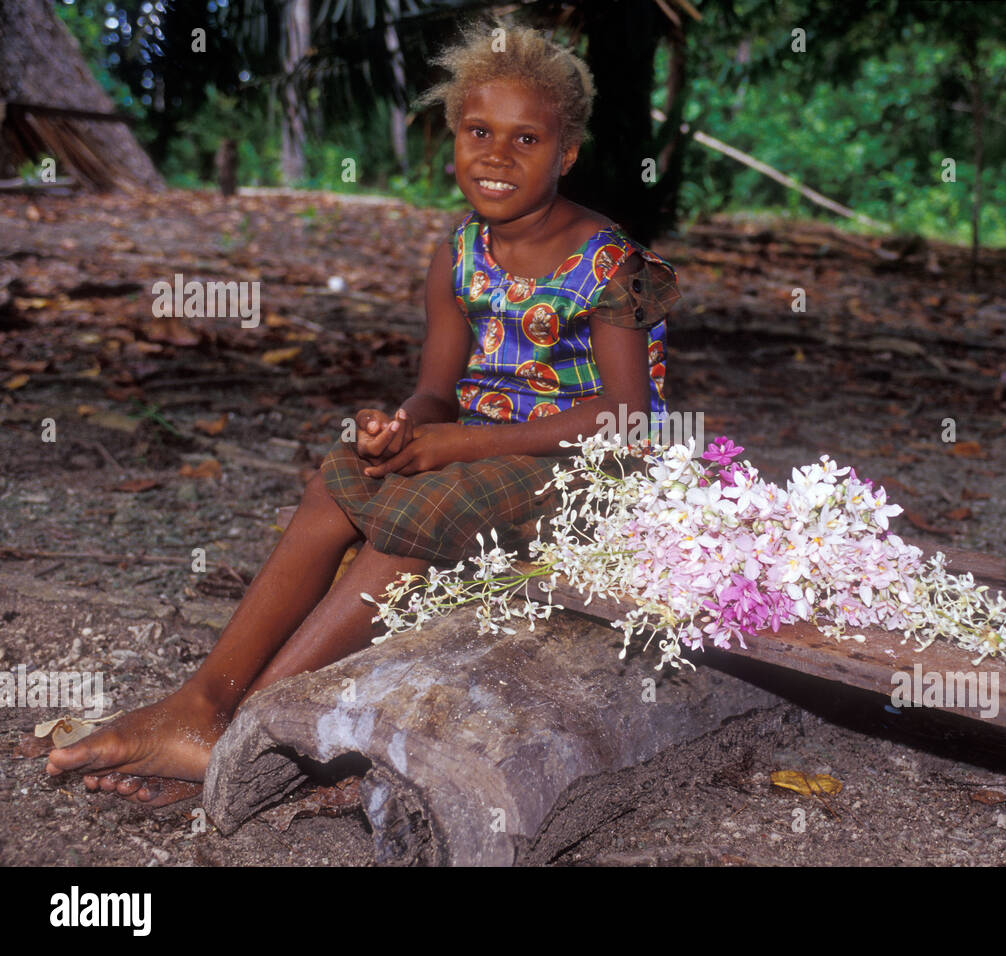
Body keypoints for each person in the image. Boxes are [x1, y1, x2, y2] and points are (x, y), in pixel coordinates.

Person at [45, 22, 680, 806]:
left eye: (527, 139)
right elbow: (435, 391)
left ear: (567, 154)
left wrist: (454, 446)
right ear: (451, 137)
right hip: (474, 447)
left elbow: (627, 419)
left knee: (418, 508)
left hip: (587, 469)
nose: (497, 156)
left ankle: (245, 733)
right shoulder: (456, 253)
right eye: (479, 132)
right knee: (341, 477)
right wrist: (403, 425)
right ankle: (202, 704)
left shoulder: (608, 261)